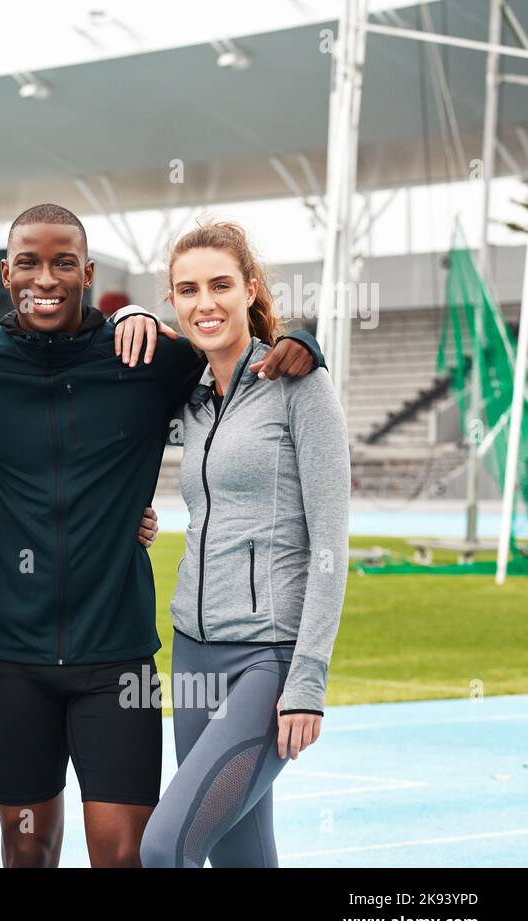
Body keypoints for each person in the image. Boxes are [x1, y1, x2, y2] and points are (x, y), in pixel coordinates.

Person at [0, 203, 325, 867]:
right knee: (26, 849)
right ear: (5, 271)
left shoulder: (148, 358)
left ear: (88, 271)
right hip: (12, 658)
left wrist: (305, 341)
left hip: (118, 659)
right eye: (28, 262)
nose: (44, 276)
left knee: (123, 852)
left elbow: (228, 345)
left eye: (62, 262)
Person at [138, 221, 349, 868]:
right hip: (195, 654)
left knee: (166, 846)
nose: (205, 302)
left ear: (249, 288)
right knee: (241, 859)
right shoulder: (192, 398)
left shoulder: (299, 385)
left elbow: (331, 542)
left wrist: (307, 680)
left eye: (220, 285)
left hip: (269, 660)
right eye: (187, 289)